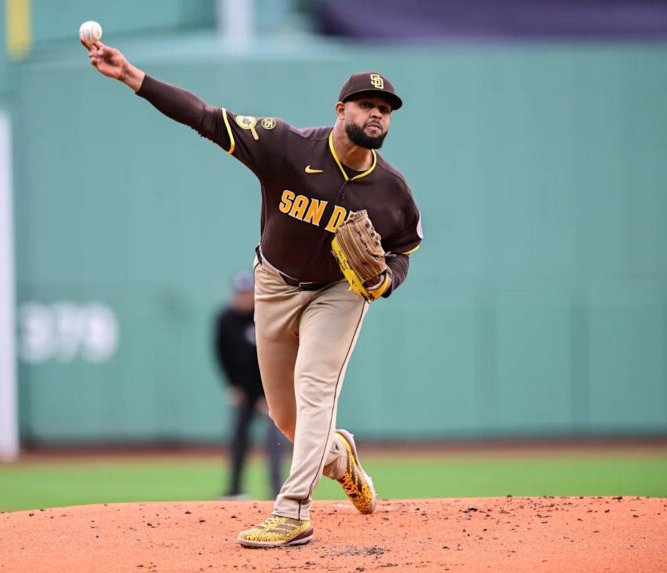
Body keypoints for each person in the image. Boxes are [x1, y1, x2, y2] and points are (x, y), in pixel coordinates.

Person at [85, 40, 422, 548]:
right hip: (275, 284)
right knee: (286, 417)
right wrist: (134, 77)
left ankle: (293, 510)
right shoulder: (286, 145)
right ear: (340, 110)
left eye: (385, 109)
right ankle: (339, 457)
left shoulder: (393, 189)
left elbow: (403, 249)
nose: (376, 114)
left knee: (315, 386)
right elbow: (204, 117)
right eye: (366, 105)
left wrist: (385, 281)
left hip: (339, 291)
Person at [215, 270, 283, 501]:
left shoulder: (265, 315)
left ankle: (277, 491)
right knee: (238, 439)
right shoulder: (226, 319)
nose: (244, 297)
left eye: (248, 293)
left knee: (274, 442)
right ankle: (235, 490)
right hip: (243, 392)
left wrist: (269, 393)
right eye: (241, 293)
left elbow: (277, 354)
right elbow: (222, 355)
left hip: (268, 392)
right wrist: (233, 386)